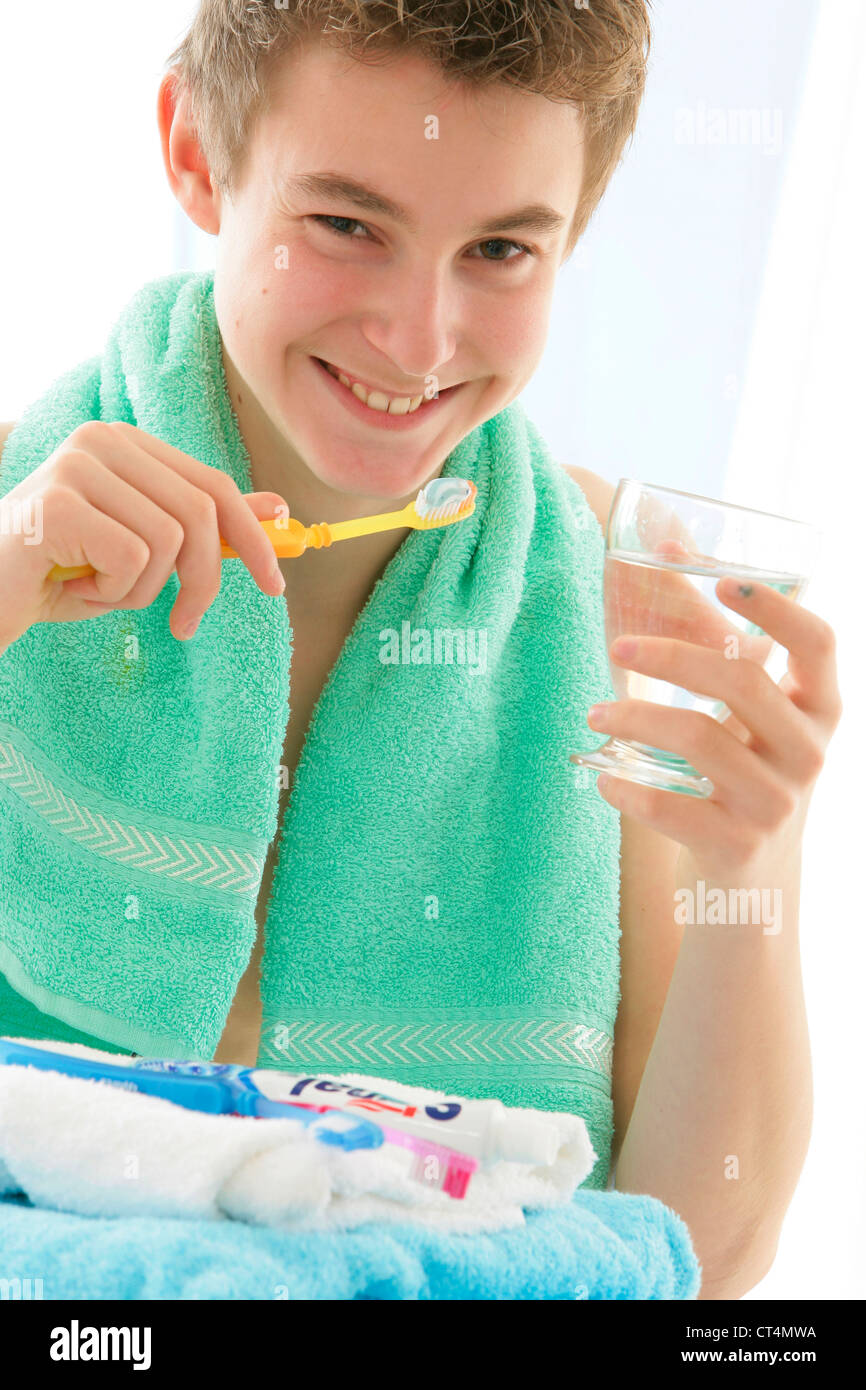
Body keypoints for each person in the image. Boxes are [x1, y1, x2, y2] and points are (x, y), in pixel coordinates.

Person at [0, 2, 841, 1299]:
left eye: (500, 248)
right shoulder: (11, 530)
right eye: (345, 225)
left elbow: (686, 1256)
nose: (419, 338)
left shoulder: (629, 617)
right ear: (193, 153)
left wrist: (756, 864)